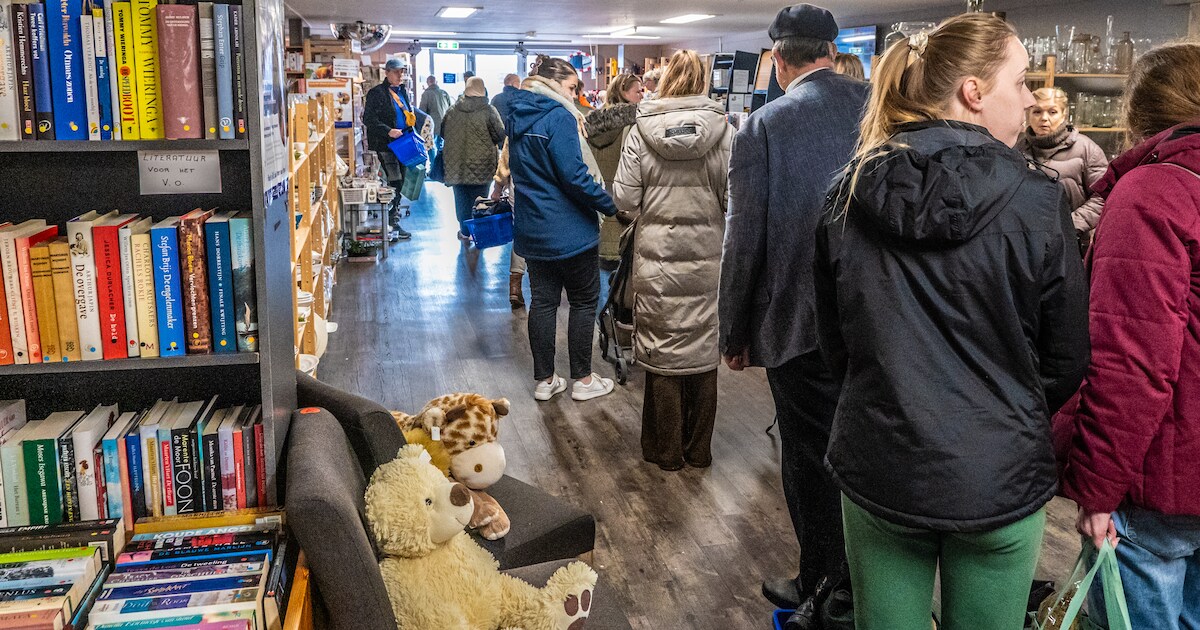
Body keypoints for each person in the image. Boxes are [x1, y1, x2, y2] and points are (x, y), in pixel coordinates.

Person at [813, 14, 1090, 630]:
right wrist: (1004, 411)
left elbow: (836, 345)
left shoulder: (847, 190)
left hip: (885, 458)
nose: (1028, 99)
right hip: (997, 471)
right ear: (973, 91)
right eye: (1019, 82)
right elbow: (1067, 357)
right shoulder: (1040, 200)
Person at [718, 3, 868, 615]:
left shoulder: (767, 125)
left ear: (778, 60)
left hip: (799, 322)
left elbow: (743, 238)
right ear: (831, 53)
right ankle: (865, 584)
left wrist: (734, 330)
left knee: (809, 460)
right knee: (864, 457)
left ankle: (821, 587)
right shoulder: (880, 112)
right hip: (875, 321)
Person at [1053, 43, 1200, 630]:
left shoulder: (1153, 192)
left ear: (1139, 113)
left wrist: (1099, 486)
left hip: (1160, 476)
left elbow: (1132, 360)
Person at [612, 50, 732, 471]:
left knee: (663, 352)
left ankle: (664, 452)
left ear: (663, 82)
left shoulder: (639, 131)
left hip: (657, 262)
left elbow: (624, 198)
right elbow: (733, 200)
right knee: (702, 349)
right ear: (702, 80)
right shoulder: (725, 131)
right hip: (707, 260)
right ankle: (698, 451)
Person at [506, 55, 619, 401]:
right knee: (584, 302)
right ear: (555, 84)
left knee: (543, 302)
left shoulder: (518, 115)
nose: (574, 95)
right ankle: (583, 381)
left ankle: (545, 380)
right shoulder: (558, 116)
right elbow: (574, 176)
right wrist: (609, 205)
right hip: (569, 230)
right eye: (572, 87)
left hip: (532, 228)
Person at [1016, 87, 1108, 249]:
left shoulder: (1087, 149)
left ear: (1064, 114)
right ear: (1028, 115)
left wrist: (1069, 225)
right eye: (1037, 112)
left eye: (1052, 112)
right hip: (1028, 244)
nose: (1044, 118)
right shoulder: (1017, 150)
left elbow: (1103, 196)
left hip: (1074, 243)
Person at [363, 57, 428, 241]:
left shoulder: (402, 92)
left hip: (403, 144)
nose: (401, 75)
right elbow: (368, 119)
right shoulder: (377, 93)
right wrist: (388, 131)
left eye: (402, 72)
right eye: (397, 72)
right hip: (386, 145)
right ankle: (392, 221)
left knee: (403, 179)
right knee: (395, 181)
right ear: (388, 72)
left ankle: (394, 218)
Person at [585, 73, 643, 263]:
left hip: (597, 200)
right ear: (624, 93)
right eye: (638, 91)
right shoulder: (634, 125)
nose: (642, 96)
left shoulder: (591, 122)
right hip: (624, 201)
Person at [441, 76, 506, 242]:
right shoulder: (489, 110)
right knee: (480, 200)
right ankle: (478, 233)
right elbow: (499, 135)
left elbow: (442, 132)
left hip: (456, 164)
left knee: (461, 200)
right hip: (482, 164)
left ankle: (464, 232)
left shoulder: (452, 110)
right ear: (482, 89)